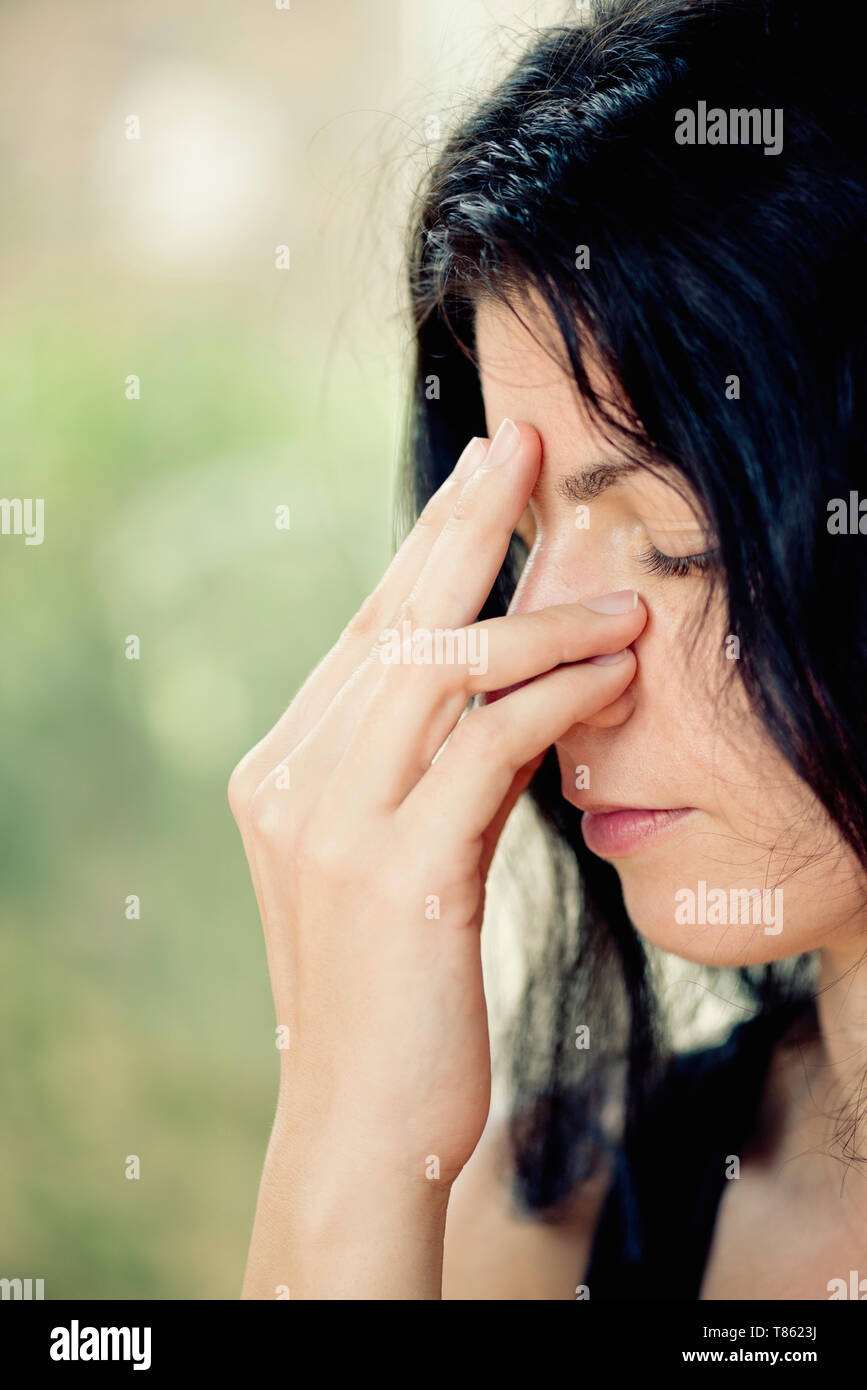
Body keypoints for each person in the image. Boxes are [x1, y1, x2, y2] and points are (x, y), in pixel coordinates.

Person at [229, 0, 867, 1299]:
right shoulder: (559, 1227)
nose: (535, 654)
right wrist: (350, 1154)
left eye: (673, 532)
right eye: (524, 541)